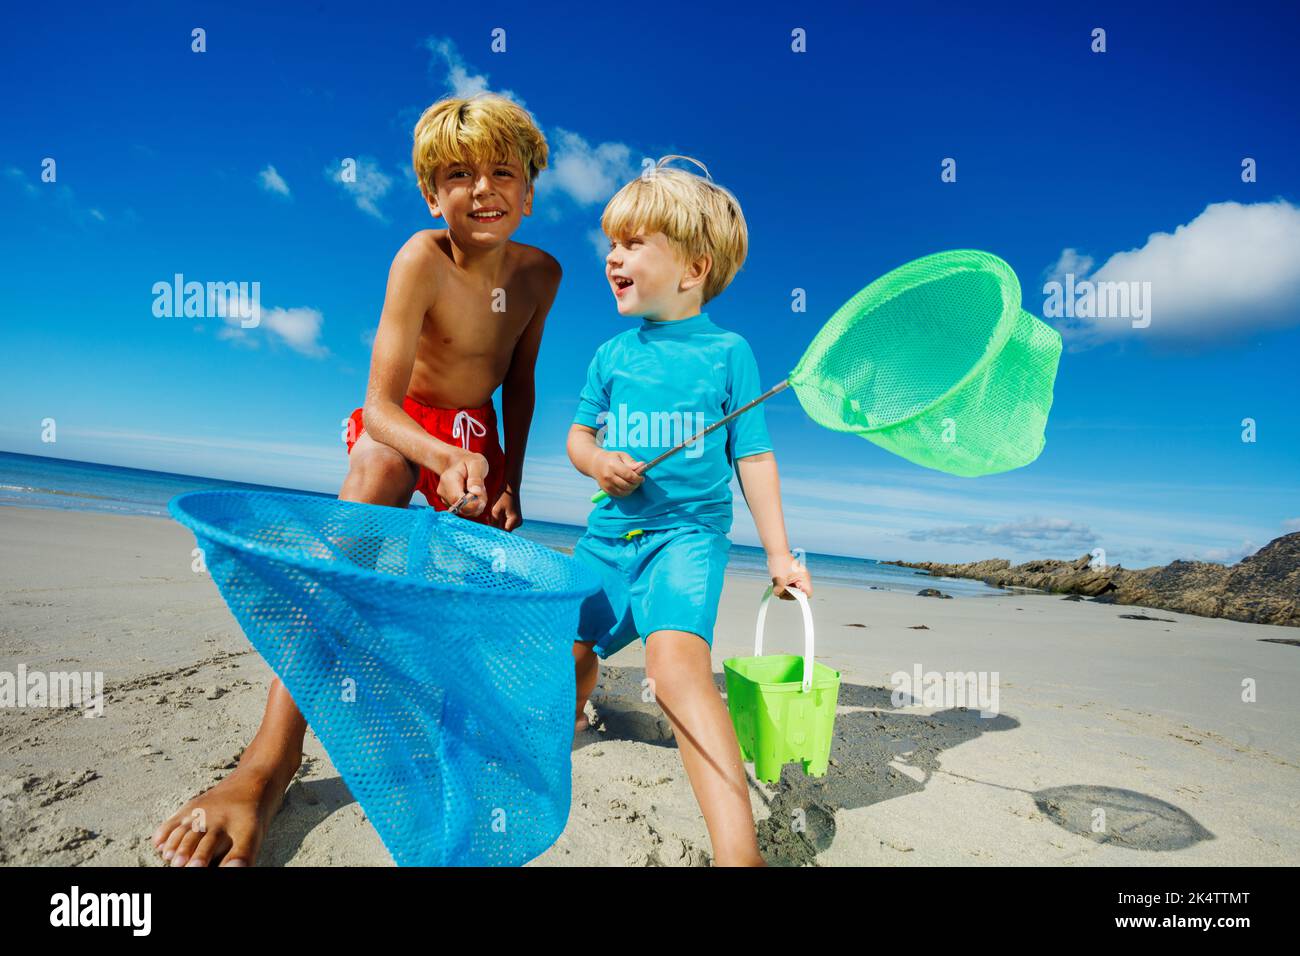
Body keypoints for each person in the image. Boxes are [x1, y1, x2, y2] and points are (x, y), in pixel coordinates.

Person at [152, 93, 561, 866]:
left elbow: (521, 380)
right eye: (457, 175)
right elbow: (377, 408)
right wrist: (437, 456)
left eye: (501, 172)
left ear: (530, 191)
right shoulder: (421, 259)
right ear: (431, 195)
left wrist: (507, 476)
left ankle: (449, 724)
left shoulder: (542, 274)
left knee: (471, 583)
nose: (482, 189)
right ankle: (268, 762)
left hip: (478, 438)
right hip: (405, 424)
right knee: (367, 496)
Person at [567, 157, 811, 867]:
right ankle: (580, 711)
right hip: (607, 538)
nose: (613, 255)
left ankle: (740, 854)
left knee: (676, 672)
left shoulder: (729, 353)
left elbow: (754, 457)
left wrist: (778, 555)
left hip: (687, 539)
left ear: (692, 269)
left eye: (634, 242)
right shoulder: (611, 355)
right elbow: (580, 437)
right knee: (567, 652)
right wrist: (597, 463)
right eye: (612, 242)